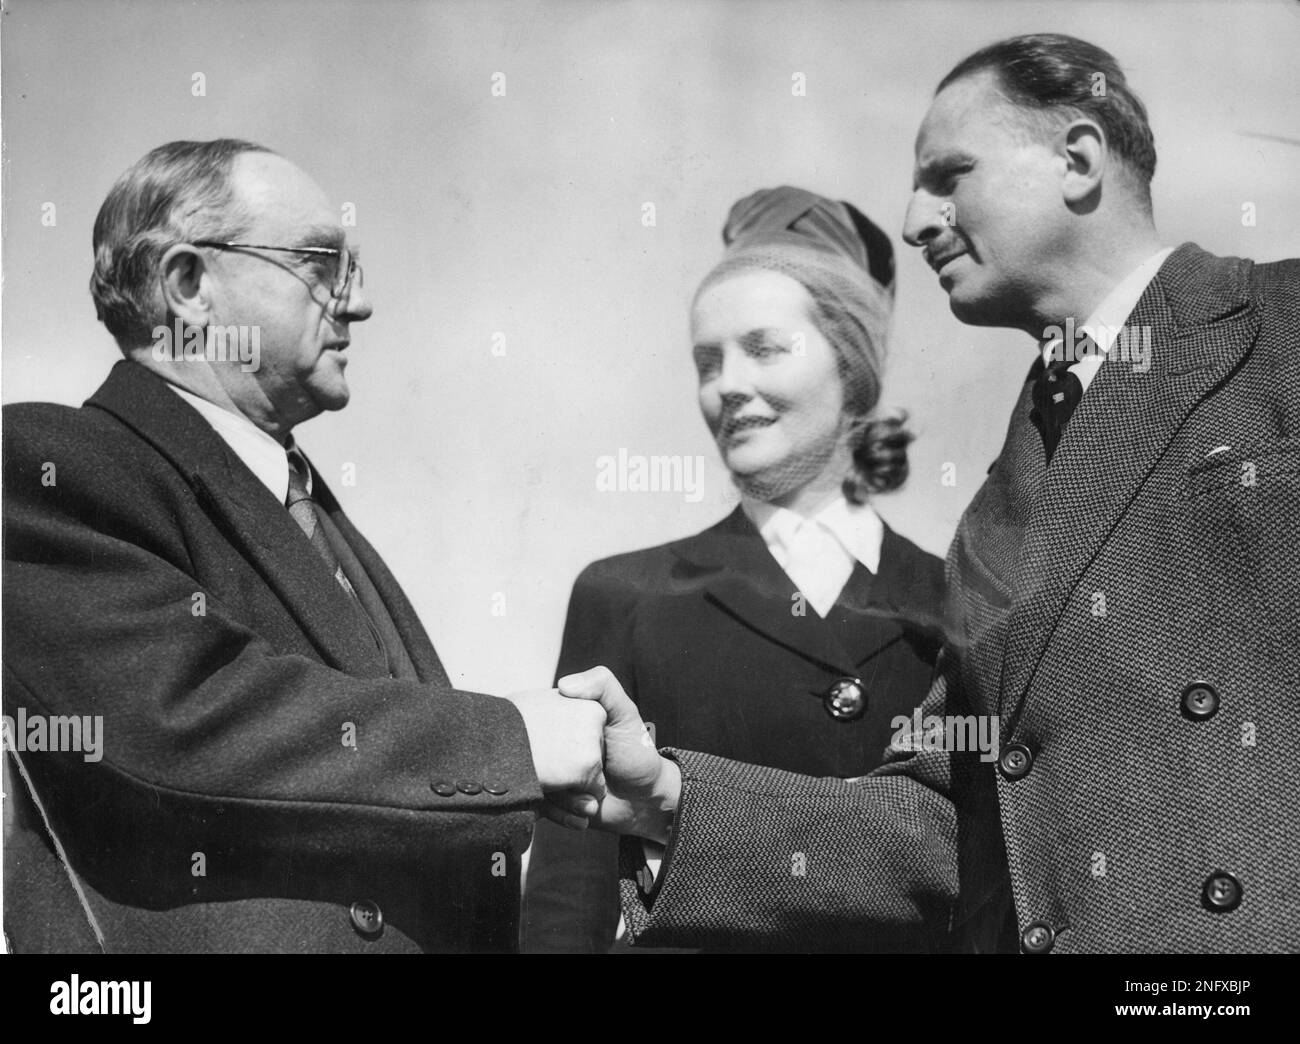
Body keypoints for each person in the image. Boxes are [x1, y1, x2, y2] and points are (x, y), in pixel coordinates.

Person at [558, 33, 1300, 953]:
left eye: (949, 175)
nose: (914, 220)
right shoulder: (1000, 509)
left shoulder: (1281, 326)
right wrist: (670, 798)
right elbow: (944, 825)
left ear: (1077, 160)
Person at [1, 139, 608, 953]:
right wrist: (515, 742)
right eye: (321, 263)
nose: (359, 304)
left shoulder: (304, 503)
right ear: (190, 286)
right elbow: (181, 718)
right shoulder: (50, 464)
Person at [523, 188, 946, 953]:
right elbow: (568, 893)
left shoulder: (965, 600)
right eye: (706, 361)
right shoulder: (625, 596)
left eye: (764, 348)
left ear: (852, 361)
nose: (728, 386)